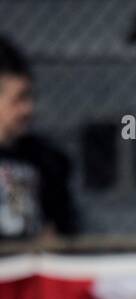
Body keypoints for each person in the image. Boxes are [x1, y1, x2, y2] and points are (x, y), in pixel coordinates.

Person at [0, 36, 77, 241]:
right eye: (19, 99)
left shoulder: (44, 160)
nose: (28, 109)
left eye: (30, 98)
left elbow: (61, 227)